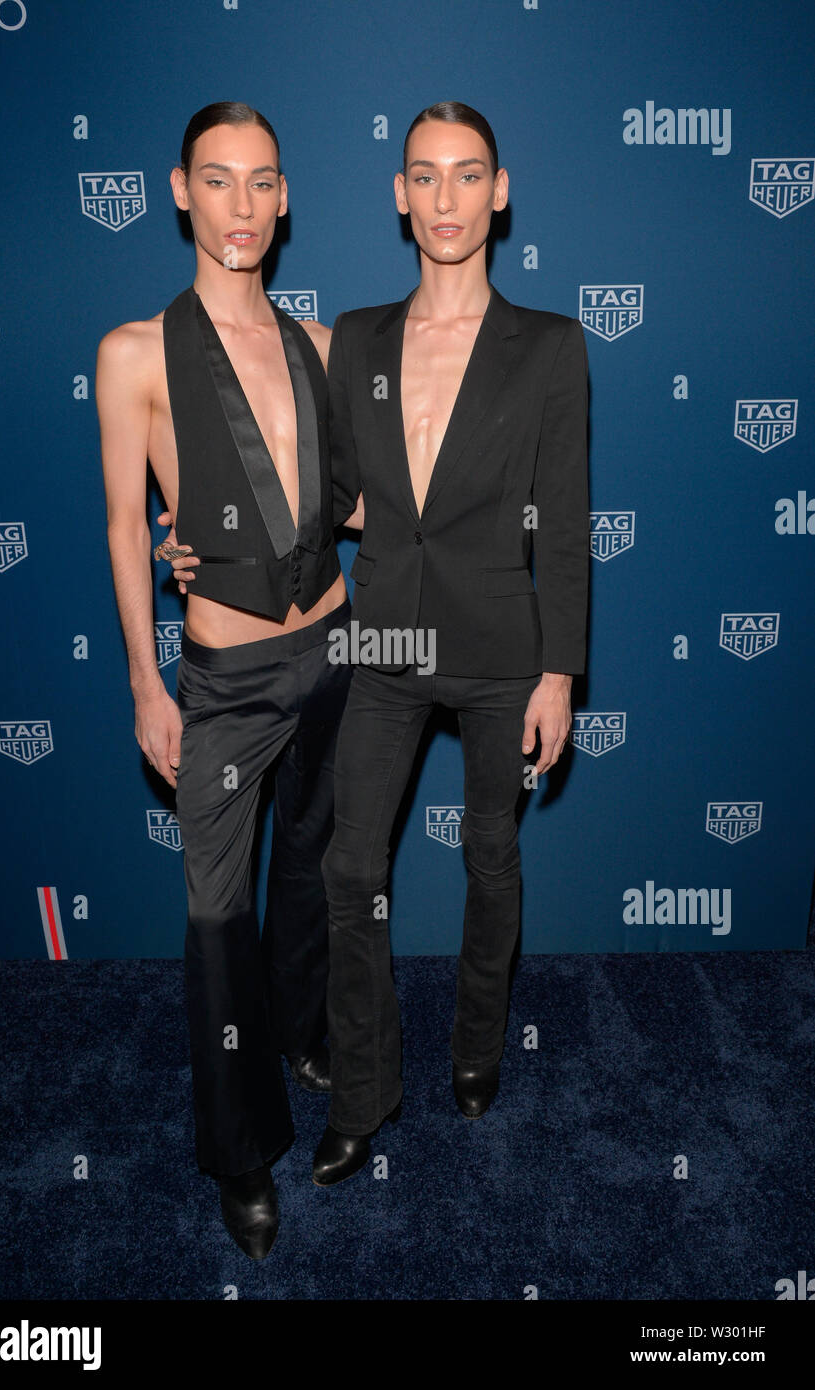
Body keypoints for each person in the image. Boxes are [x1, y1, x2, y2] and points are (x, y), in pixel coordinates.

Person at [166, 101, 590, 1188]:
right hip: (387, 635)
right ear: (399, 196)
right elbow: (329, 498)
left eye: (466, 175)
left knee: (488, 857)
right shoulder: (357, 338)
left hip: (503, 644)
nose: (444, 198)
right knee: (352, 868)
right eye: (423, 177)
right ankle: (361, 1095)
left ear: (497, 192)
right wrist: (217, 538)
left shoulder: (547, 345)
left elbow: (568, 519)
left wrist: (558, 671)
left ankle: (477, 1053)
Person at [95, 102, 354, 1257]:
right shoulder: (134, 353)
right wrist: (151, 688)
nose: (241, 206)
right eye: (218, 181)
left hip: (337, 648)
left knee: (311, 868)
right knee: (216, 917)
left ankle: (302, 1029)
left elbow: (349, 502)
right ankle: (242, 1153)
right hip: (228, 674)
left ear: (284, 197)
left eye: (262, 183)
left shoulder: (321, 341)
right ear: (179, 191)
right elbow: (118, 524)